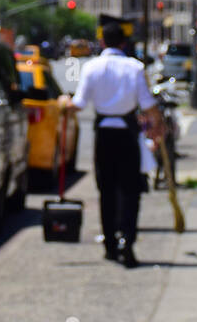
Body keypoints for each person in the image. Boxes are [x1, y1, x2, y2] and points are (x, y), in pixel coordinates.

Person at [59, 21, 163, 268]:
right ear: (124, 43)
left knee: (106, 190)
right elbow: (148, 105)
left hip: (104, 135)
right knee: (131, 190)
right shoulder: (135, 68)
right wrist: (158, 128)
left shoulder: (93, 67)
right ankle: (128, 239)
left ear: (103, 42)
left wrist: (64, 103)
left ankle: (109, 245)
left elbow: (80, 104)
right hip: (128, 135)